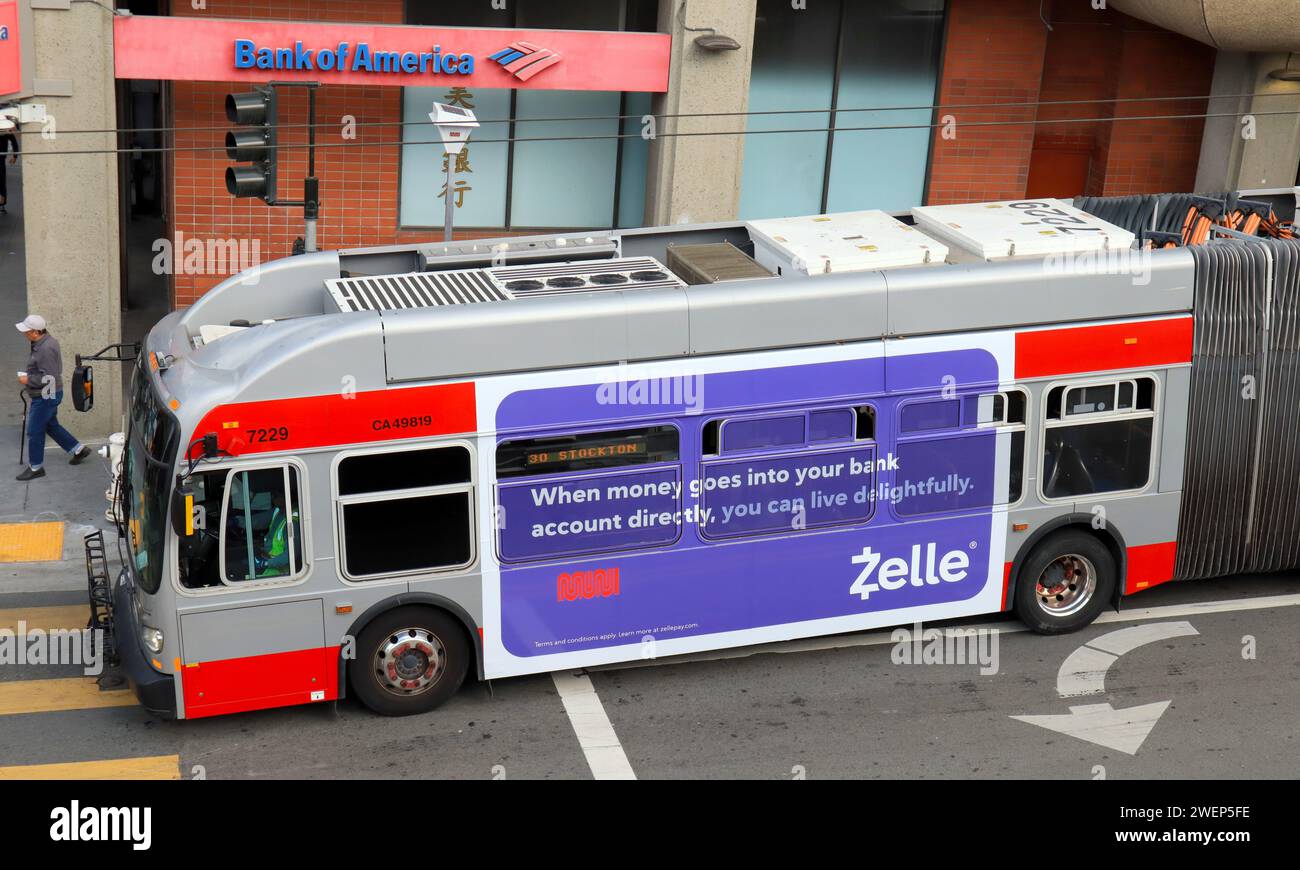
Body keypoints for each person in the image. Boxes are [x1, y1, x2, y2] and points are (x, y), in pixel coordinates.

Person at [14, 314, 90, 481]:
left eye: (26, 331)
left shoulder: (45, 349)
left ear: (35, 332)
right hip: (50, 393)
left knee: (34, 431)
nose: (24, 334)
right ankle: (78, 449)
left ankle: (36, 467)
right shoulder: (46, 342)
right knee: (50, 425)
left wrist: (28, 379)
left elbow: (50, 377)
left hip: (45, 396)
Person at [0, 129, 17, 214]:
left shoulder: (5, 127)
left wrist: (15, 156)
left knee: (2, 180)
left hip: (1, 158)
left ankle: (2, 203)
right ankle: (2, 203)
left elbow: (14, 141)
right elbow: (14, 141)